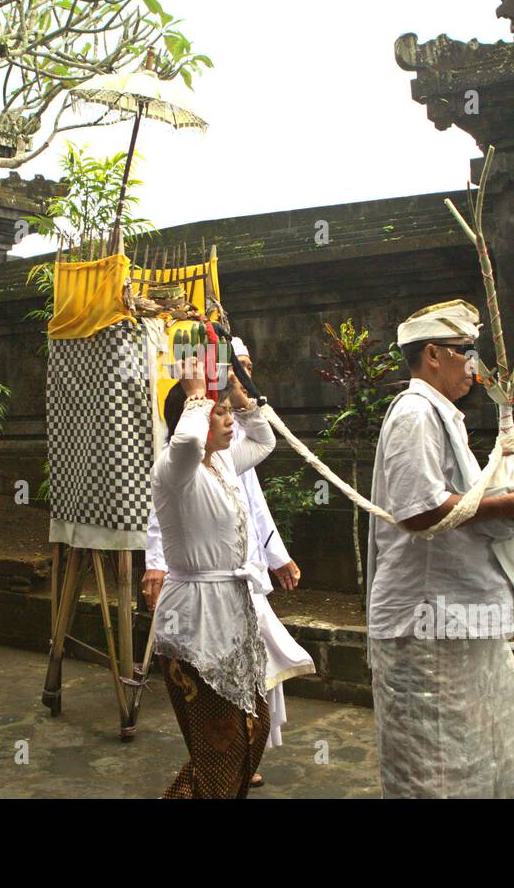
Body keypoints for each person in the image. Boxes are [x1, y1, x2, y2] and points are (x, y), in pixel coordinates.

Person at [365, 300, 514, 798]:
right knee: (437, 763)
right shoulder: (414, 413)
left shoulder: (442, 415)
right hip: (426, 622)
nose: (473, 367)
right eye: (465, 353)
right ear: (433, 354)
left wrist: (508, 497)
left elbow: (443, 499)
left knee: (506, 737)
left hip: (457, 614)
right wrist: (505, 505)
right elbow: (417, 510)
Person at [144, 336, 312, 789]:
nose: (229, 420)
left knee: (251, 735)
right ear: (191, 419)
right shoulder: (173, 469)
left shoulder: (222, 464)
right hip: (195, 615)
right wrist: (197, 392)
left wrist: (235, 390)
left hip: (237, 610)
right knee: (219, 748)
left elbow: (264, 438)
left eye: (226, 412)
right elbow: (184, 447)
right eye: (219, 414)